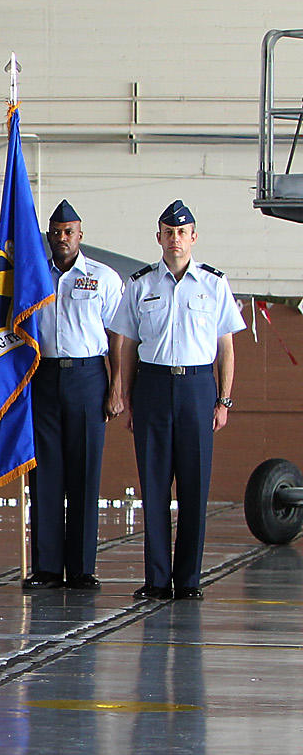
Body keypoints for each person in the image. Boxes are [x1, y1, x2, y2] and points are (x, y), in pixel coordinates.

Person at [108, 200, 244, 601]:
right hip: (152, 387)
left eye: (182, 232)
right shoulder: (141, 284)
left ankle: (188, 580)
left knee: (194, 486)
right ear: (159, 237)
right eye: (168, 232)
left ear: (194, 237)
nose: (175, 239)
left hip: (197, 388)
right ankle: (156, 579)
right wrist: (128, 398)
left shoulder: (214, 284)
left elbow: (226, 348)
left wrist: (224, 400)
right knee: (153, 486)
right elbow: (128, 346)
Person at [26, 201, 125, 590]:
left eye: (69, 232)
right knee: (45, 475)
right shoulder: (33, 276)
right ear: (48, 236)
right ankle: (47, 567)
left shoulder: (103, 278)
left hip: (88, 377)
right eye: (56, 232)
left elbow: (118, 336)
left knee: (84, 473)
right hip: (44, 377)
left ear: (80, 235)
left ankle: (82, 569)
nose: (62, 238)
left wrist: (117, 386)